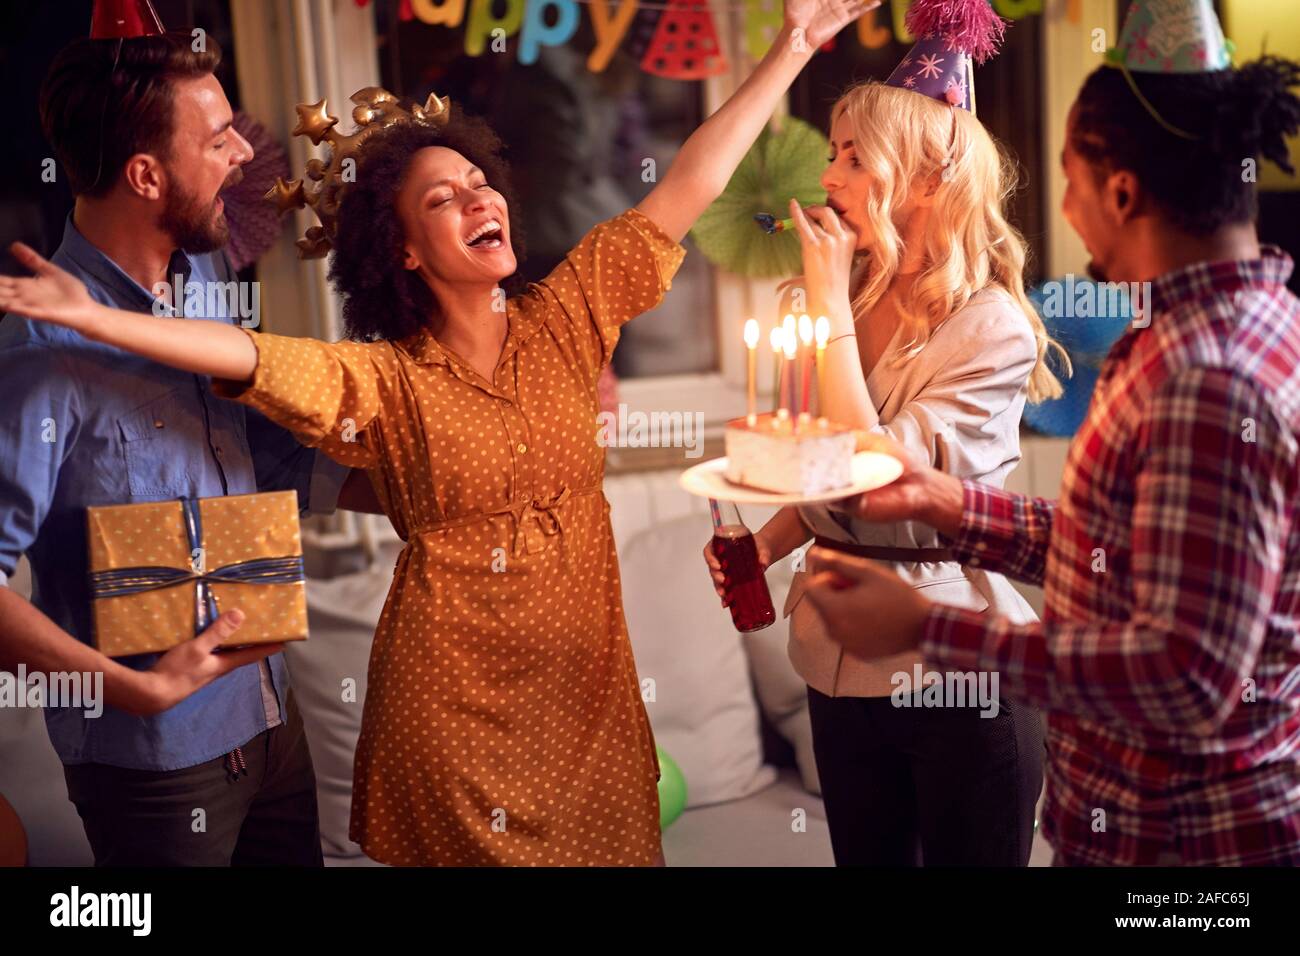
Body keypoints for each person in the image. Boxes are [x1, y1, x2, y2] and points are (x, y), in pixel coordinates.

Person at [0, 0, 881, 866]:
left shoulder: (570, 314)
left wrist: (796, 45)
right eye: (441, 199)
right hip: (449, 717)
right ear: (405, 252)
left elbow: (693, 181)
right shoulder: (384, 378)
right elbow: (251, 356)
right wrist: (96, 321)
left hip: (590, 708)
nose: (476, 196)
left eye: (478, 181)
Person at [798, 0, 1300, 866]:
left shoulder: (1206, 380)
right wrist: (955, 505)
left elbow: (1182, 679)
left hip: (1185, 851)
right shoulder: (1205, 333)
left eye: (1066, 177)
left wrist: (932, 629)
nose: (1059, 207)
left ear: (1122, 190)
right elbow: (1127, 558)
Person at [0, 20, 374, 865]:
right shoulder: (37, 358)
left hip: (276, 716)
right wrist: (135, 689)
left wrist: (395, 485)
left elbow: (248, 453)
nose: (243, 152)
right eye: (217, 137)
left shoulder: (207, 280)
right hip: (157, 767)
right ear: (144, 174)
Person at [704, 0, 1062, 865]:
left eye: (856, 158)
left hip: (953, 670)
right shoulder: (848, 299)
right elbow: (828, 475)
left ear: (929, 180)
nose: (827, 177)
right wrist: (765, 542)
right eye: (832, 152)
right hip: (833, 654)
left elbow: (878, 477)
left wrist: (825, 305)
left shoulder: (991, 327)